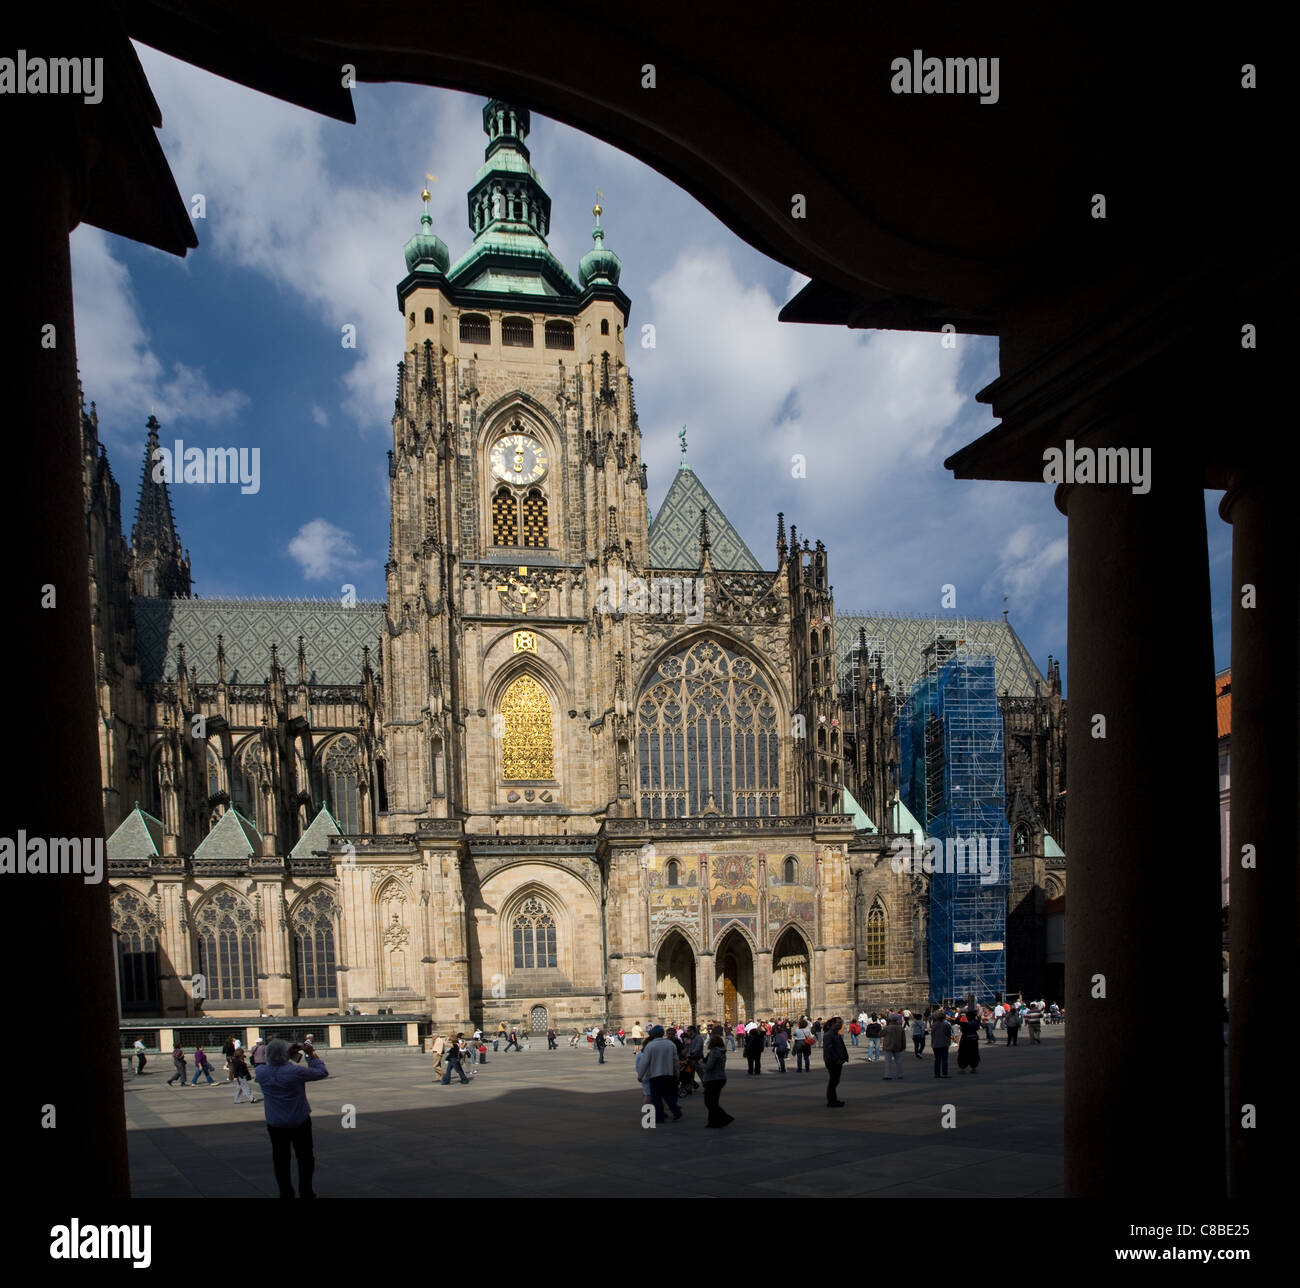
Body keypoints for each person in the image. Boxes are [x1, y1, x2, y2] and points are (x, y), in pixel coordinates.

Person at [255, 1039, 329, 1198]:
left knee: (280, 1160)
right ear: (285, 1054)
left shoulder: (261, 1072)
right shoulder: (295, 1072)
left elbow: (266, 1063)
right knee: (305, 1158)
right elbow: (322, 1072)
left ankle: (285, 1192)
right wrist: (311, 1055)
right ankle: (306, 1190)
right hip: (299, 1121)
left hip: (276, 1123)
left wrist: (285, 1053)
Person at [636, 1026, 683, 1124]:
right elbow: (676, 1061)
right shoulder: (670, 1044)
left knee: (656, 1097)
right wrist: (677, 1073)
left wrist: (640, 1075)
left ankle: (659, 1117)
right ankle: (676, 1111)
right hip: (668, 1074)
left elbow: (645, 1062)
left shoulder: (650, 1046)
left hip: (655, 1075)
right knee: (667, 1095)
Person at [701, 1033, 733, 1127]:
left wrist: (700, 1064)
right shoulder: (722, 1051)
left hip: (713, 1079)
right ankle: (713, 1121)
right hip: (720, 1078)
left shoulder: (714, 1052)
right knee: (713, 1102)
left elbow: (709, 1067)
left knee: (709, 1102)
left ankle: (725, 1117)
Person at [823, 1016, 849, 1107]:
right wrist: (833, 1060)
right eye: (839, 1023)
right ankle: (831, 1101)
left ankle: (834, 1099)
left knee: (835, 1081)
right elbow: (828, 1049)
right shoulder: (829, 1034)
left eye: (841, 1022)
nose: (841, 1024)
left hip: (837, 1061)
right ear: (833, 1024)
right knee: (833, 1081)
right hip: (833, 1062)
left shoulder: (835, 1034)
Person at [881, 1013, 906, 1080]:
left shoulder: (887, 1028)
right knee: (899, 1061)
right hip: (898, 1046)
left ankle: (887, 1075)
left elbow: (881, 1034)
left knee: (888, 1062)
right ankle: (900, 1074)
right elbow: (903, 1039)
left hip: (888, 1046)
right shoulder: (900, 1028)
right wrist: (903, 1046)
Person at [931, 1012, 952, 1078]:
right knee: (944, 1059)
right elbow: (949, 1033)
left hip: (935, 1044)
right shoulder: (946, 1024)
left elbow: (932, 1034)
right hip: (944, 1043)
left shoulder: (933, 1025)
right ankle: (944, 1073)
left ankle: (937, 1074)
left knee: (937, 1059)